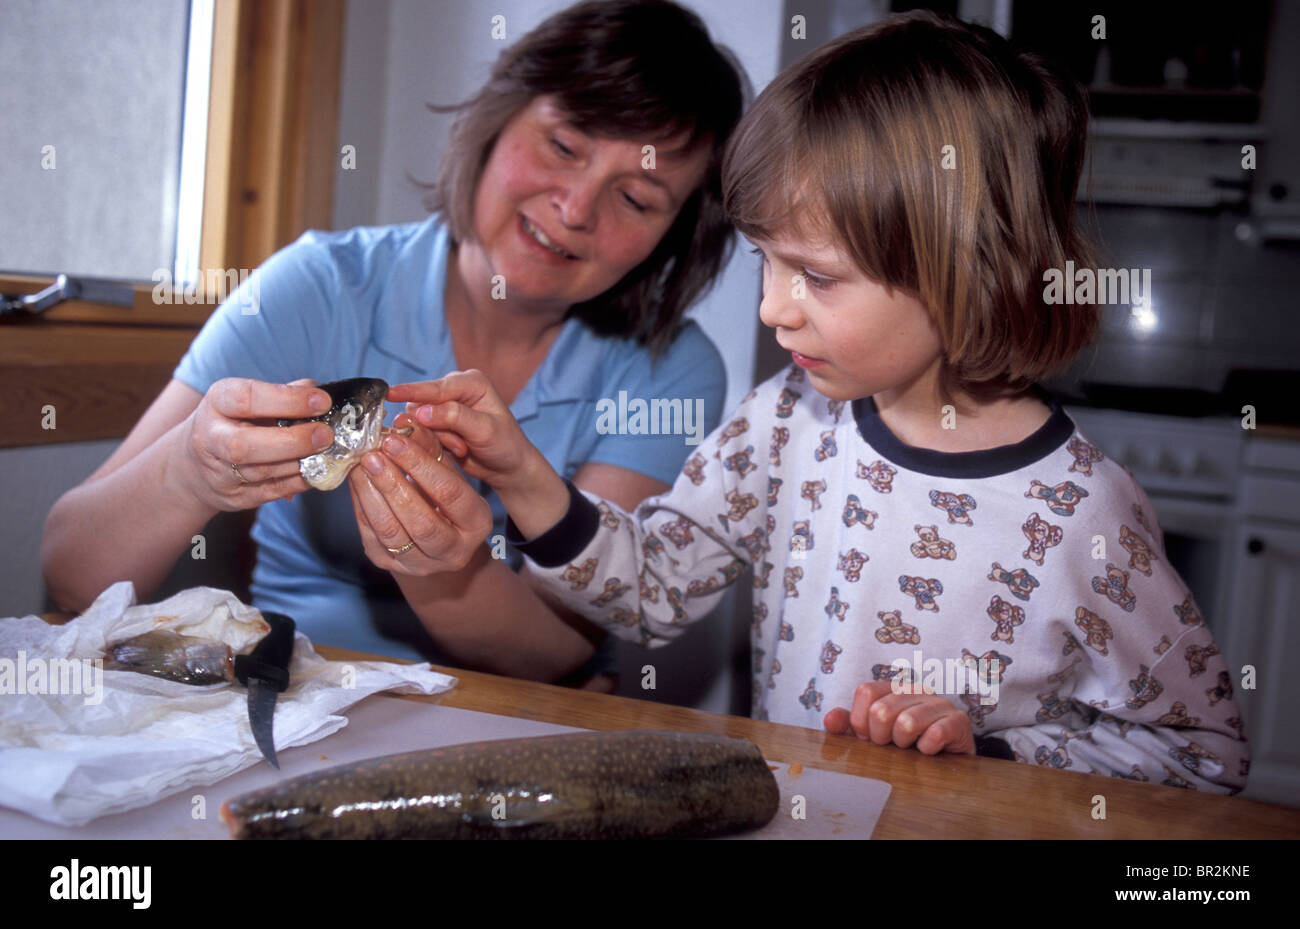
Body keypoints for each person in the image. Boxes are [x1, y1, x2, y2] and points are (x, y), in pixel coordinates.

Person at [398, 11, 1249, 791]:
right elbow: (650, 591)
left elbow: (1200, 753)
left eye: (816, 275)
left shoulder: (1081, 513)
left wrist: (991, 746)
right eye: (767, 260)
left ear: (967, 271)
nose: (773, 307)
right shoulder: (786, 417)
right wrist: (520, 474)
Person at [41, 0, 745, 685]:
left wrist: (438, 566)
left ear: (674, 238)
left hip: (515, 723)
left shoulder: (670, 370)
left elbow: (553, 653)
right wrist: (188, 471)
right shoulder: (316, 288)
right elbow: (72, 575)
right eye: (563, 146)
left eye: (636, 198)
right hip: (293, 692)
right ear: (496, 121)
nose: (575, 209)